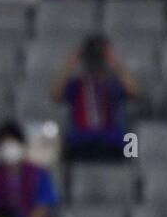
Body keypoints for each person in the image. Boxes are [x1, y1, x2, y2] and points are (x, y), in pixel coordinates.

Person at [51, 35, 137, 163]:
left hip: (110, 141)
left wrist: (114, 63)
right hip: (81, 141)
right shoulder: (77, 85)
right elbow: (55, 95)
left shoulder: (112, 85)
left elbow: (134, 92)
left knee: (132, 140)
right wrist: (70, 65)